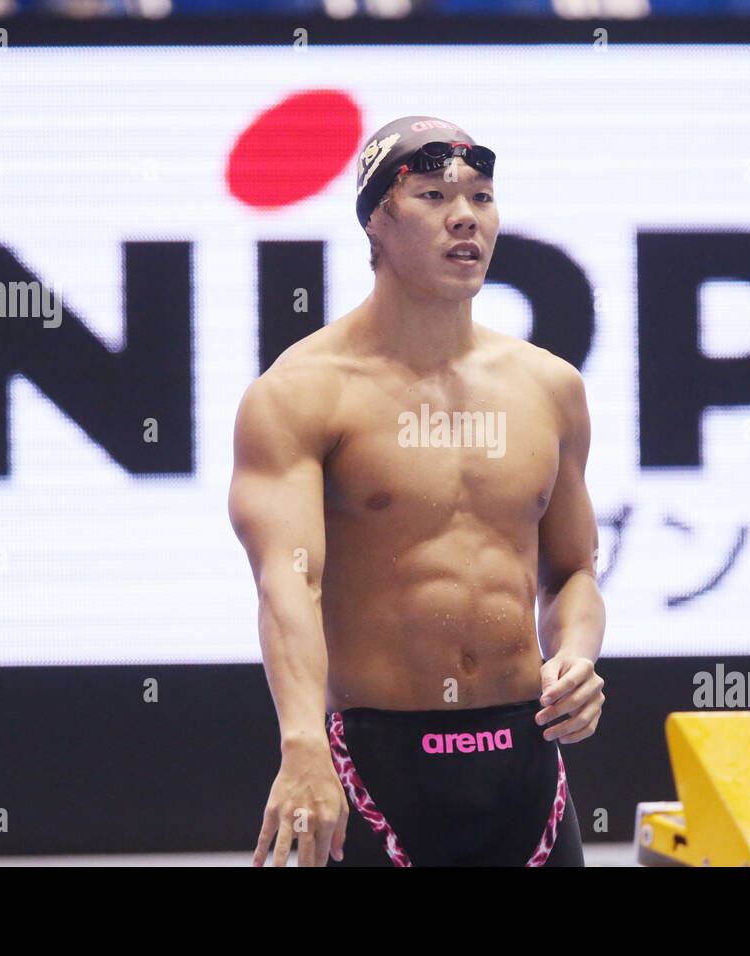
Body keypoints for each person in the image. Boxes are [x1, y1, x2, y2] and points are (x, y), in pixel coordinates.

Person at [228, 115, 605, 867]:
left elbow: (572, 573)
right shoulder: (301, 395)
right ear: (376, 221)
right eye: (434, 195)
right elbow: (287, 585)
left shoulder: (550, 389)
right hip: (375, 766)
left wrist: (579, 655)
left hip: (525, 765)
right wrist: (302, 745)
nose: (466, 216)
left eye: (483, 197)